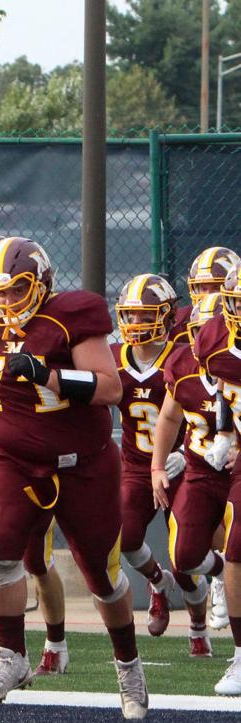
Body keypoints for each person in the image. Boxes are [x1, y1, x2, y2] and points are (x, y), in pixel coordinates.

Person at [0, 236, 148, 718]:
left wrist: (49, 375)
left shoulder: (72, 316)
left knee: (101, 575)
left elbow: (110, 388)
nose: (2, 302)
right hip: (13, 458)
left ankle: (128, 666)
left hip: (85, 463)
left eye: (14, 290)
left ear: (41, 283)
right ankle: (11, 658)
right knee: (0, 552)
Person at [113, 274, 200, 649]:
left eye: (145, 316)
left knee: (186, 557)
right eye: (130, 316)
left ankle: (198, 623)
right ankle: (157, 582)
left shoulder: (182, 358)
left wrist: (182, 454)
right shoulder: (112, 358)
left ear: (166, 318)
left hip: (185, 466)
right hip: (135, 465)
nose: (135, 325)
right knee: (127, 539)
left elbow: (200, 412)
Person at [170, 289, 241, 691]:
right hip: (221, 462)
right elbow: (224, 390)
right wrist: (226, 434)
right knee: (226, 549)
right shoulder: (213, 339)